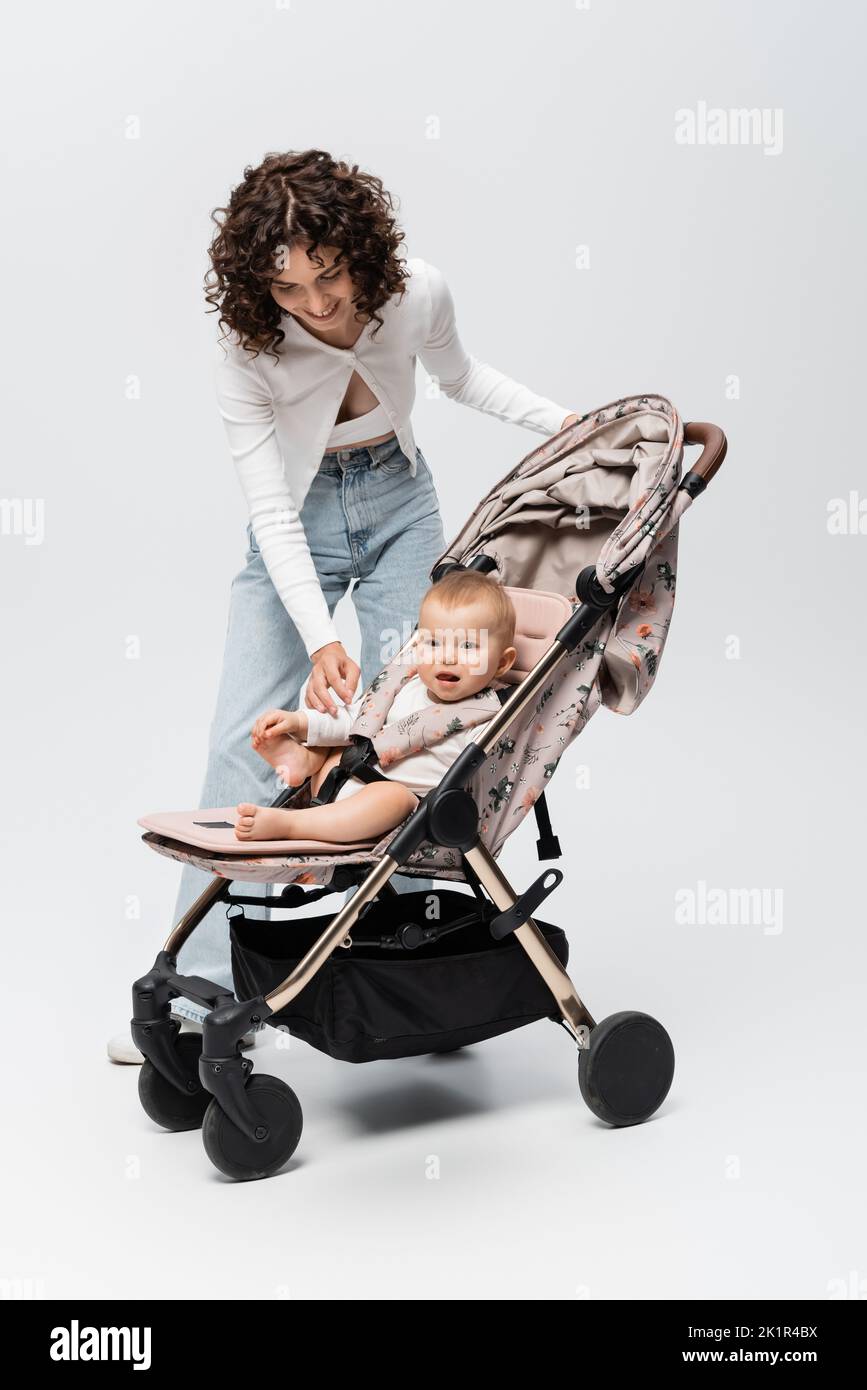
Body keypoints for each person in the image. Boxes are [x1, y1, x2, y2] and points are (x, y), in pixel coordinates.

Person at [108, 148, 578, 1063]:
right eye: (288, 289)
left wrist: (566, 425)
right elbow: (271, 513)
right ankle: (200, 992)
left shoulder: (417, 292)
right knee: (242, 741)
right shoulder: (247, 349)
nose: (316, 304)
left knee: (415, 728)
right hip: (300, 522)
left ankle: (418, 972)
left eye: (328, 276)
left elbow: (462, 379)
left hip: (402, 504)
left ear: (361, 252)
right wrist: (323, 640)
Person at [237, 570, 517, 843]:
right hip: (339, 780)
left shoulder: (487, 721)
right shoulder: (406, 686)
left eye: (467, 646)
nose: (447, 657)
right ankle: (304, 761)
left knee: (394, 797)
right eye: (433, 642)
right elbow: (355, 720)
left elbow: (484, 782)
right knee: (346, 736)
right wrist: (300, 722)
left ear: (502, 663)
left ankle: (291, 824)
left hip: (393, 814)